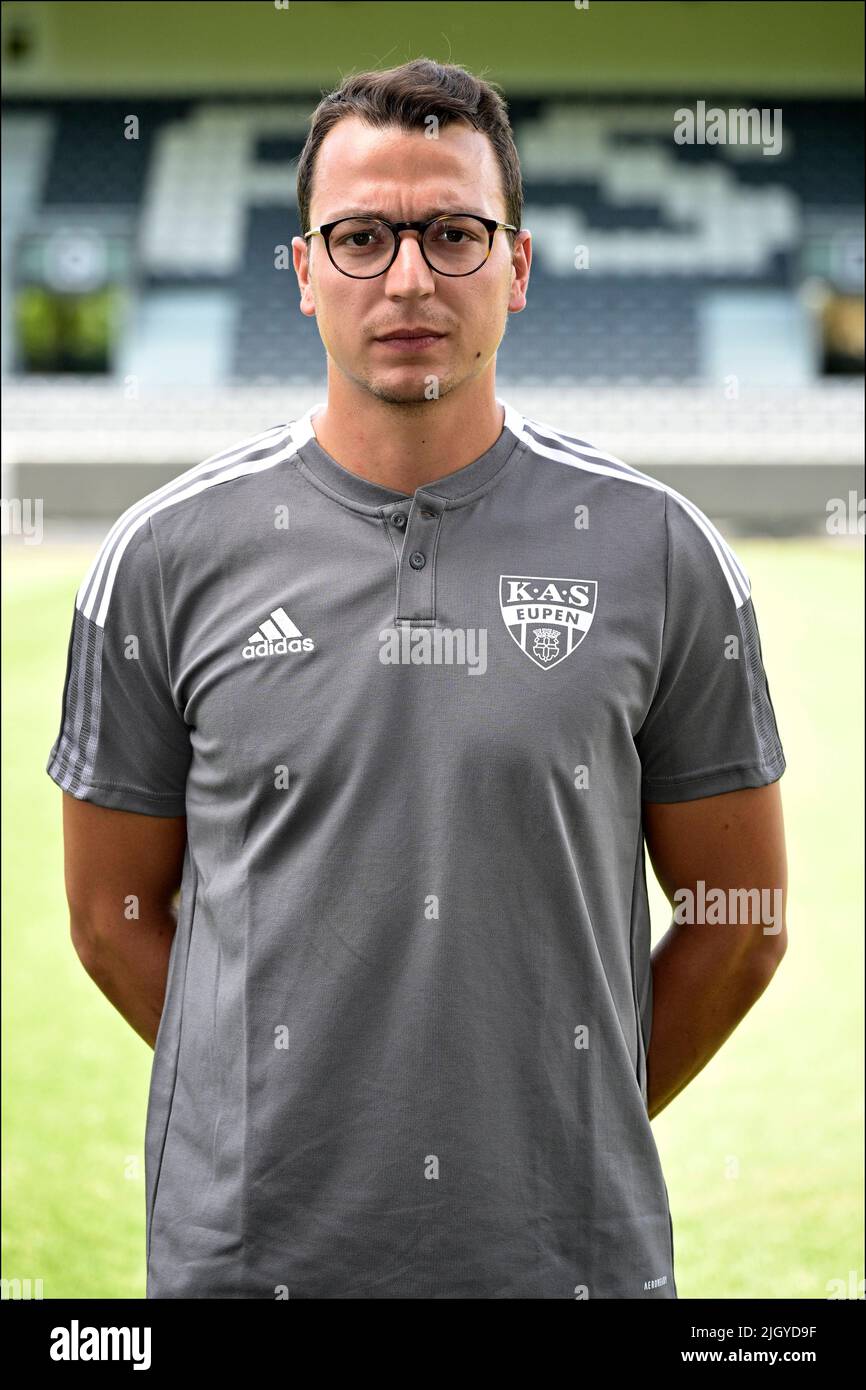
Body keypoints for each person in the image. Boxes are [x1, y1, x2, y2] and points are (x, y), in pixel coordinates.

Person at [47, 57, 788, 1299]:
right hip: (246, 1264)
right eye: (359, 237)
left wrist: (555, 1132)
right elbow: (111, 921)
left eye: (452, 234)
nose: (405, 278)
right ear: (299, 271)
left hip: (566, 1265)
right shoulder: (160, 558)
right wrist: (287, 1127)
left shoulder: (660, 552)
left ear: (517, 265)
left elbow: (739, 924)